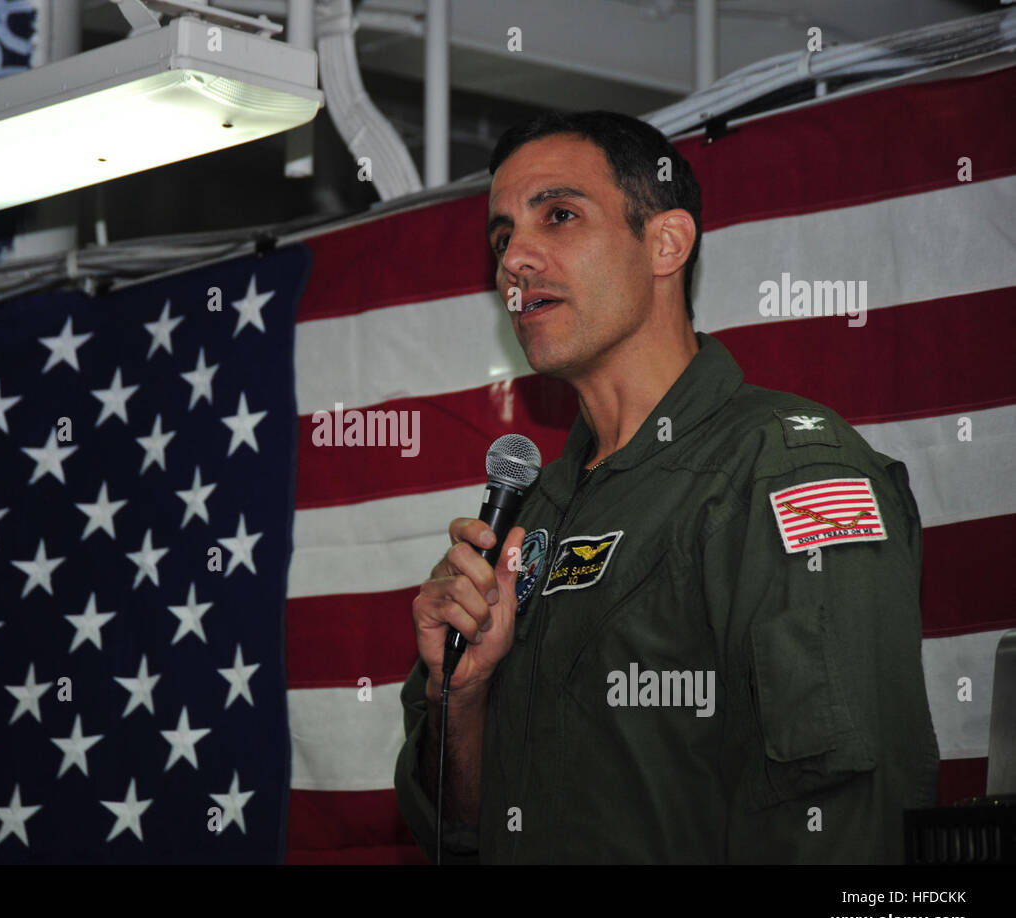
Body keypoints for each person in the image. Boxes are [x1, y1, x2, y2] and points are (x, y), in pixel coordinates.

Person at [393, 110, 940, 864]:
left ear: (666, 243)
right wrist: (462, 697)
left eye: (558, 215)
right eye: (501, 236)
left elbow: (847, 818)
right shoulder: (530, 513)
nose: (514, 259)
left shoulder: (785, 471)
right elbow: (460, 833)